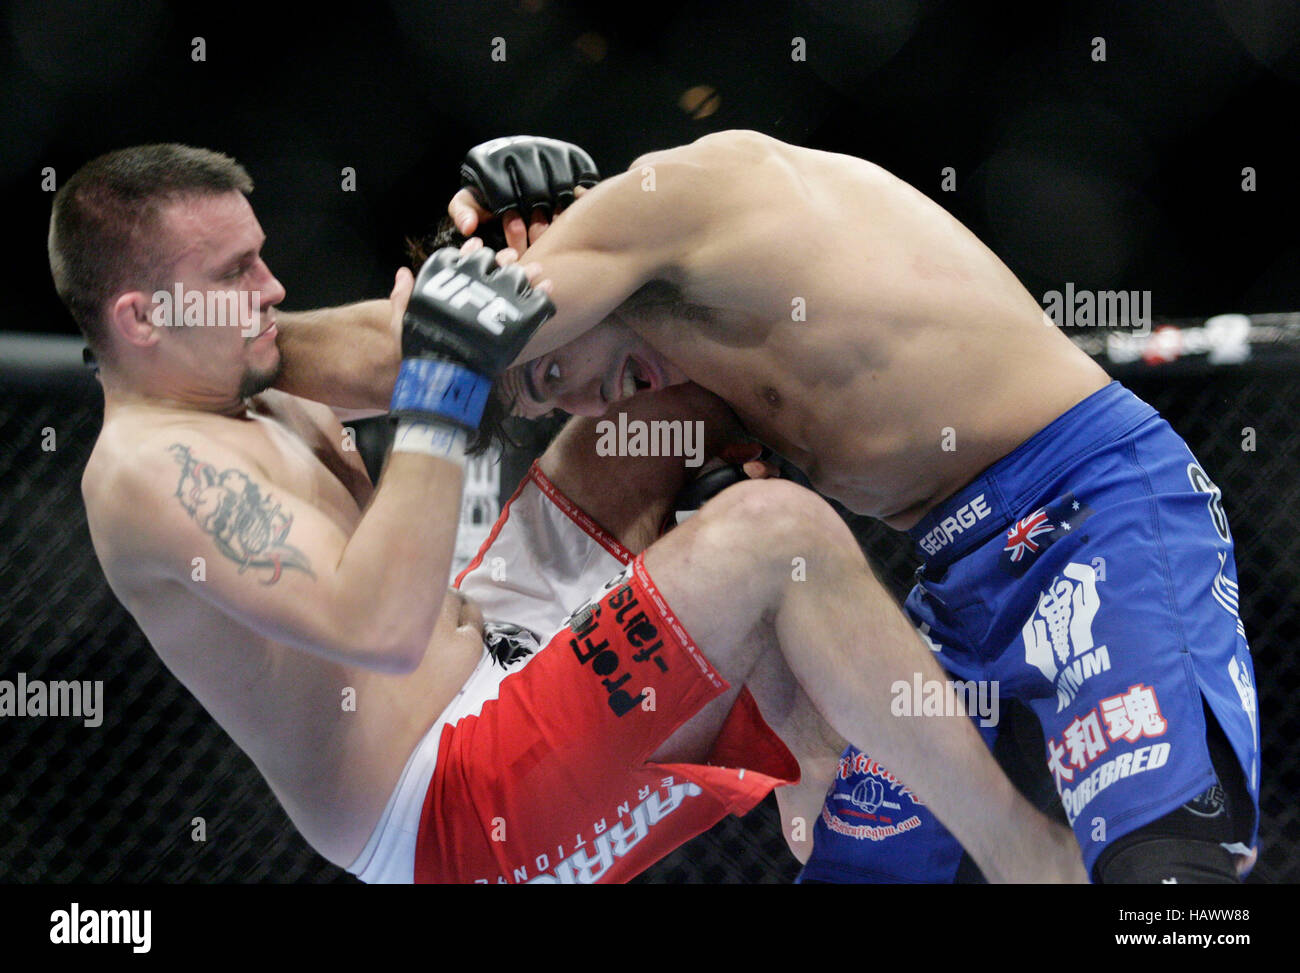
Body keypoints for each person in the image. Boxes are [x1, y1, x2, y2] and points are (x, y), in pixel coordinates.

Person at [49, 143, 1084, 884]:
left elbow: (495, 340)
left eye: (264, 254)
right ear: (143, 318)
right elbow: (379, 628)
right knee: (775, 538)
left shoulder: (246, 374)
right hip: (443, 809)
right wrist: (443, 382)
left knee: (676, 406)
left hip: (497, 641)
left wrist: (565, 237)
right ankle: (1023, 857)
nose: (275, 287)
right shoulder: (149, 473)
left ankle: (831, 783)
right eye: (237, 273)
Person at [434, 132, 1261, 883]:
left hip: (1088, 510)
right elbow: (760, 580)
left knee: (1168, 883)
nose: (579, 401)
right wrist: (808, 754)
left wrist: (311, 341)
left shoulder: (707, 218)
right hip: (953, 598)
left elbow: (413, 341)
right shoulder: (677, 382)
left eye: (548, 368)